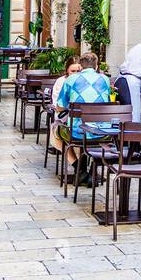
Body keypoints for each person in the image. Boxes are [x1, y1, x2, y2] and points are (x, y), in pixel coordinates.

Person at [55, 53, 114, 186]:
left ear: (81, 66)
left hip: (77, 133)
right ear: (97, 65)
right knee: (88, 131)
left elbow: (59, 107)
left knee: (57, 131)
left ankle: (79, 168)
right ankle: (87, 169)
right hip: (102, 133)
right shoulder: (105, 79)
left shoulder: (71, 80)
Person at [47, 54, 82, 159]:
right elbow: (58, 105)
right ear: (67, 70)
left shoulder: (84, 82)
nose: (75, 74)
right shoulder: (61, 81)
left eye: (78, 71)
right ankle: (78, 166)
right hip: (64, 118)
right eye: (73, 71)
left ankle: (81, 166)